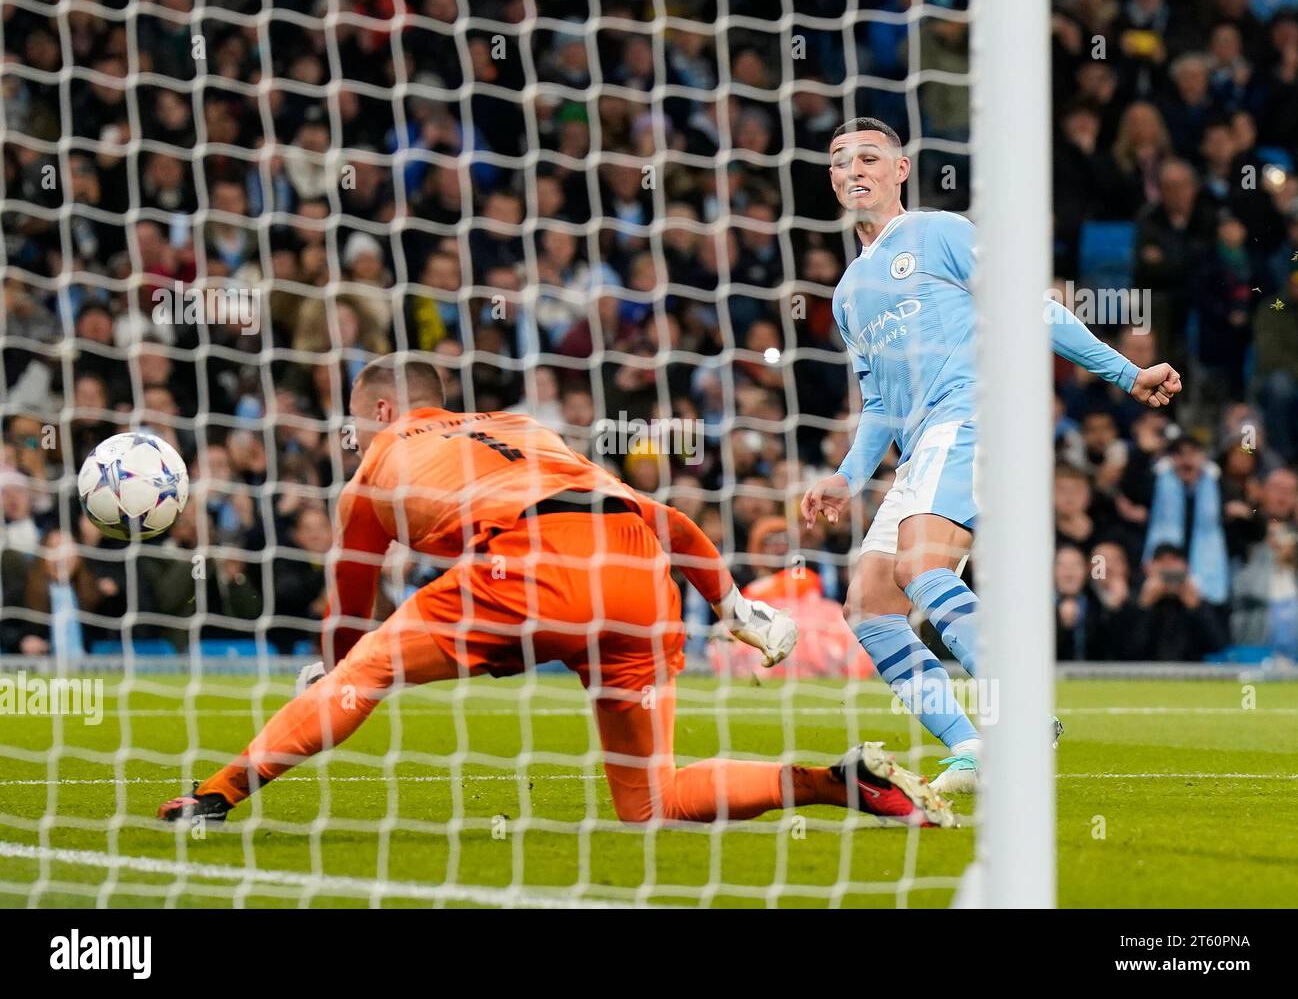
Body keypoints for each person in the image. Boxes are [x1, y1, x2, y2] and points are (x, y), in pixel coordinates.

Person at [159, 355, 954, 828]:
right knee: (651, 804)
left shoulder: (380, 459)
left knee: (364, 672)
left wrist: (331, 671)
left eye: (358, 424)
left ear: (383, 409)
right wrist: (731, 605)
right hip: (640, 572)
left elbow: (347, 607)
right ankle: (832, 781)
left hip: (528, 569)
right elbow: (664, 516)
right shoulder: (526, 429)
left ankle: (218, 792)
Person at [800, 117, 1183, 792]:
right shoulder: (848, 293)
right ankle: (973, 746)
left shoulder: (941, 233)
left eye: (867, 157)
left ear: (900, 169)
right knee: (868, 604)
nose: (852, 169)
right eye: (839, 161)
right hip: (922, 449)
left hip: (975, 421)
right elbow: (879, 404)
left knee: (921, 563)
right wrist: (846, 476)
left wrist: (1128, 373)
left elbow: (1030, 309)